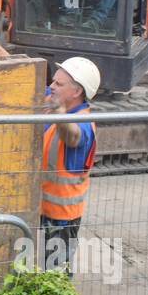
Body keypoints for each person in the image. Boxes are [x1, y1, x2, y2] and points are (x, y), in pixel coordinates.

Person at [38, 56, 100, 279]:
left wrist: (59, 114)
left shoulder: (83, 124)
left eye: (58, 84)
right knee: (36, 269)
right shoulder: (55, 100)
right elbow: (23, 73)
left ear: (76, 92)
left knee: (55, 277)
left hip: (61, 220)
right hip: (40, 211)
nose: (51, 87)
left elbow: (71, 135)